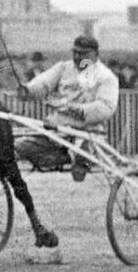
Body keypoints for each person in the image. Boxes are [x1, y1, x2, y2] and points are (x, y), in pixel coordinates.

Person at [15, 35, 120, 182]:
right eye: (75, 52)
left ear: (96, 54)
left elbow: (107, 107)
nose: (77, 57)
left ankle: (78, 161)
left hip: (86, 134)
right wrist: (27, 90)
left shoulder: (106, 77)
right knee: (17, 146)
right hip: (55, 132)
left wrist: (77, 109)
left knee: (80, 164)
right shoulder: (63, 67)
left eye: (83, 54)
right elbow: (43, 84)